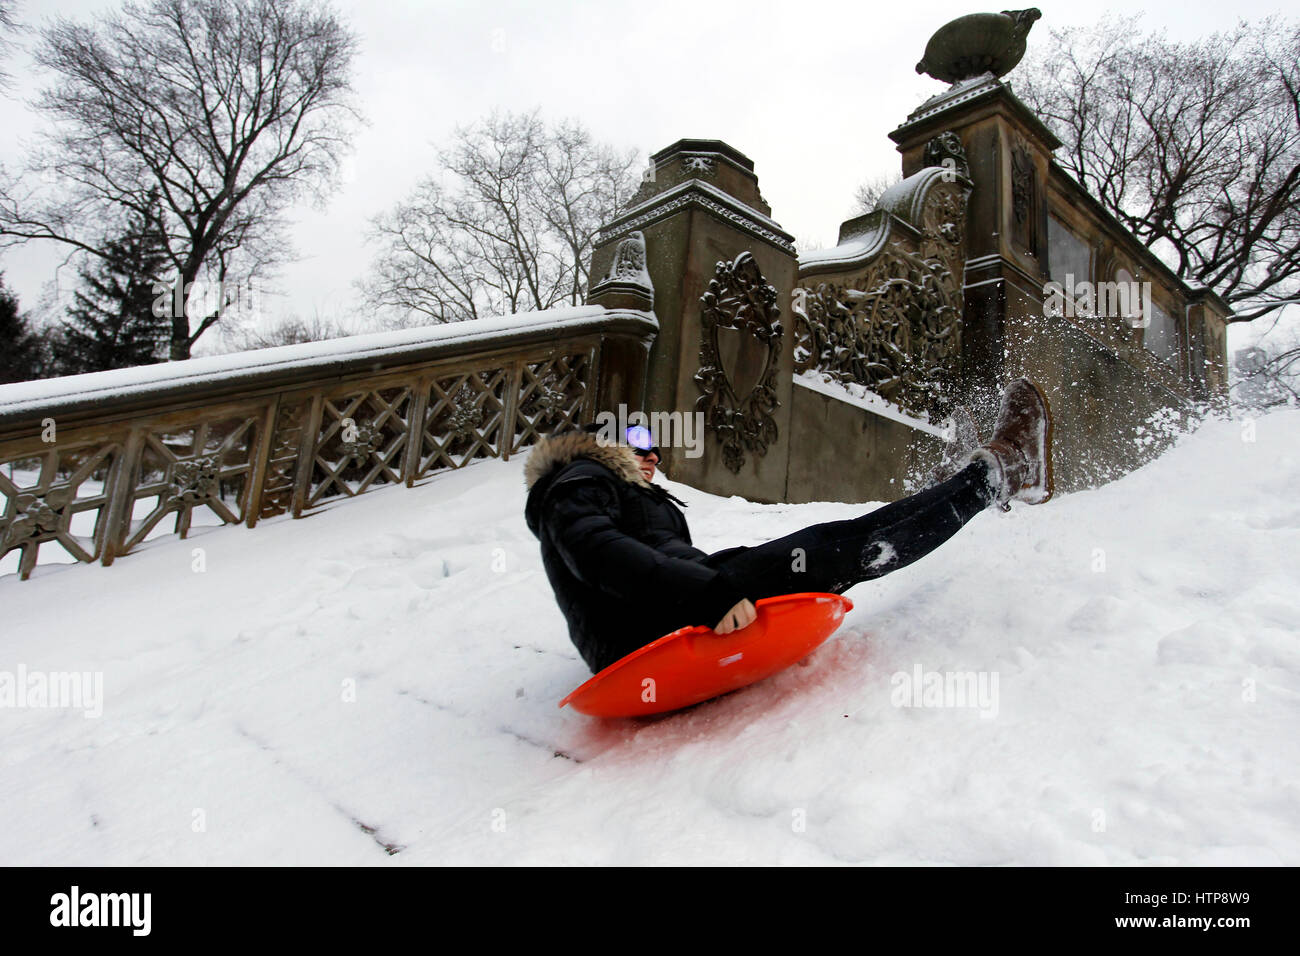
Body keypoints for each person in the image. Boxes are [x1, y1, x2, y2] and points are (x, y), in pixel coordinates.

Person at [523, 378, 1053, 674]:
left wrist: (715, 578)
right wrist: (711, 594)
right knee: (836, 546)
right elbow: (595, 551)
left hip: (672, 609)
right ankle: (997, 472)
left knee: (833, 545)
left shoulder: (634, 497)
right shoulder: (578, 480)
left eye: (659, 451)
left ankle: (961, 485)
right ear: (604, 443)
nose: (656, 458)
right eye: (642, 447)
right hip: (649, 630)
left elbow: (659, 561)